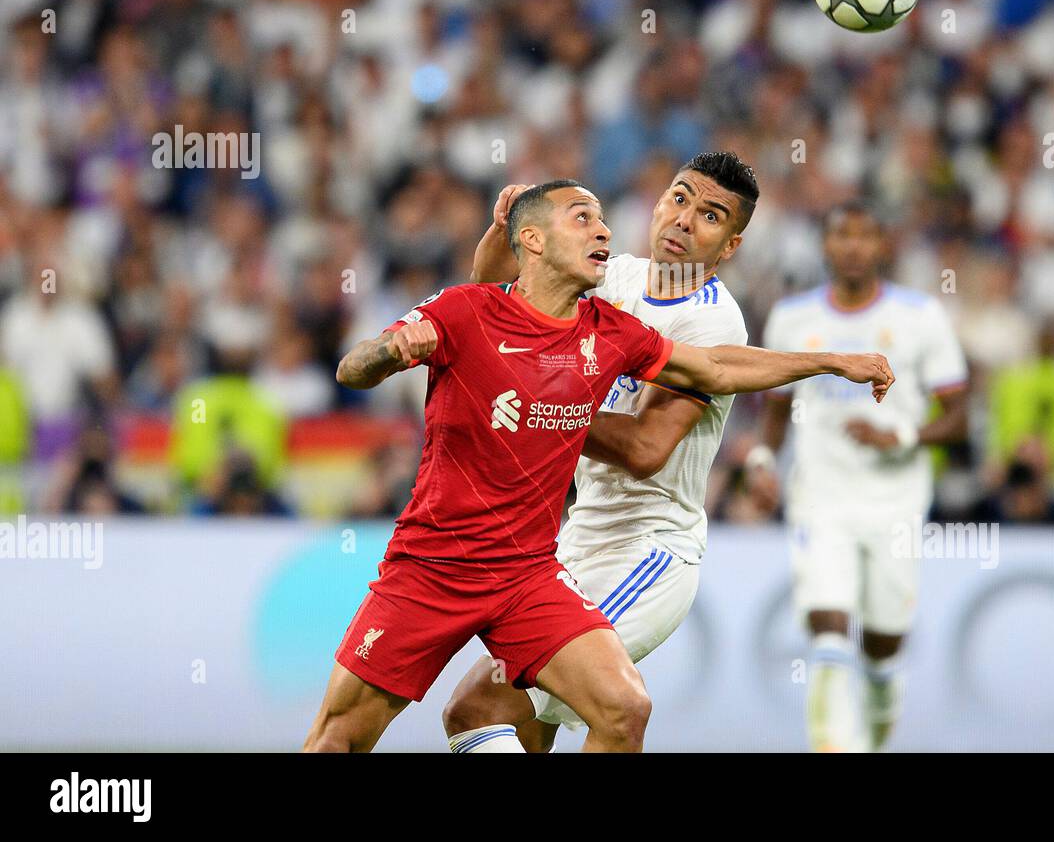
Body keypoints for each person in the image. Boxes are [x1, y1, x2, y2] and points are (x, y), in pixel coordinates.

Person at [303, 180, 894, 753]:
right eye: (583, 218)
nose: (605, 230)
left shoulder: (623, 328)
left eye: (710, 216)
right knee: (344, 738)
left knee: (578, 708)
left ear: (731, 244)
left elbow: (703, 381)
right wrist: (387, 352)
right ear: (533, 241)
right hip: (441, 562)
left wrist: (832, 361)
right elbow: (373, 359)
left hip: (592, 555)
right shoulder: (577, 286)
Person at [442, 152, 755, 753]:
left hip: (649, 549)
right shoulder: (611, 276)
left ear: (730, 245)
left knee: (479, 707)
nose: (685, 220)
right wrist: (503, 232)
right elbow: (493, 308)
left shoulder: (712, 324)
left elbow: (644, 447)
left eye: (710, 216)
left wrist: (538, 400)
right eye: (681, 198)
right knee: (523, 729)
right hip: (572, 540)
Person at [751, 201, 968, 753]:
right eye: (840, 234)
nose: (852, 246)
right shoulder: (793, 319)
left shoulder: (921, 317)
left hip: (896, 503)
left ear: (882, 245)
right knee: (828, 627)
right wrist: (760, 463)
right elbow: (775, 414)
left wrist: (905, 437)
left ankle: (871, 742)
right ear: (825, 245)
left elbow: (960, 418)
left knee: (882, 648)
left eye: (863, 235)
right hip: (820, 498)